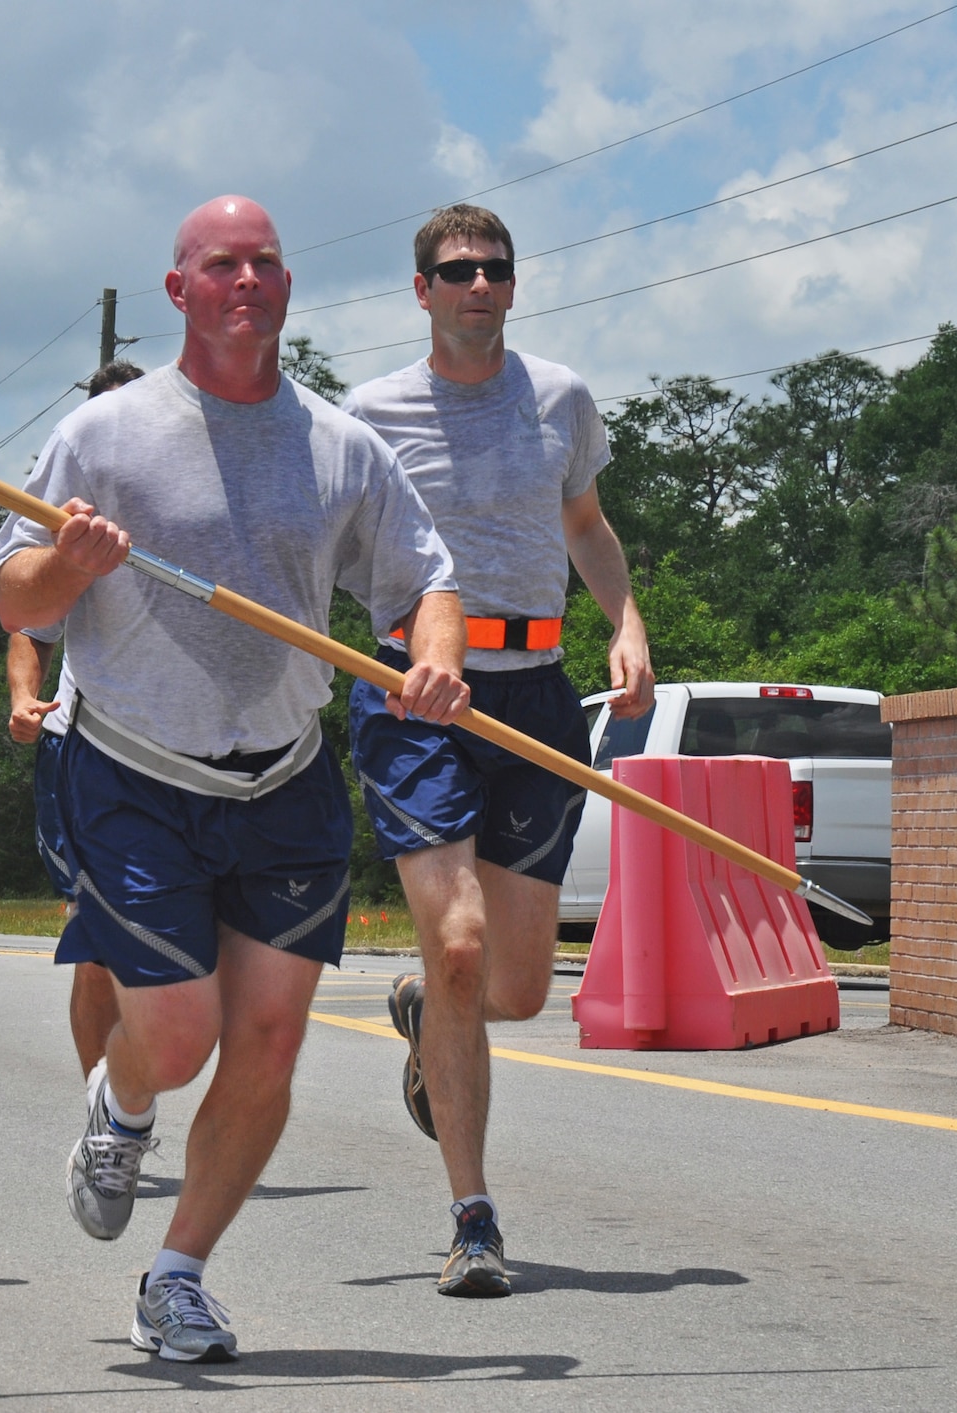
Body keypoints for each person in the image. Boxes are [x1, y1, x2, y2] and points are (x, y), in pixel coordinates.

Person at [0, 197, 469, 1363]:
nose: (244, 280)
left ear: (287, 285)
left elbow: (424, 580)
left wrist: (436, 654)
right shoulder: (105, 436)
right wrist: (70, 560)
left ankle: (176, 1275)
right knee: (182, 1032)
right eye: (220, 264)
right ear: (177, 290)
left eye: (262, 263)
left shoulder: (339, 443)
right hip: (132, 775)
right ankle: (123, 1106)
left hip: (287, 778)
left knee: (265, 1046)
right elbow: (18, 600)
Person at [341, 203, 655, 1298]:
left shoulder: (557, 397)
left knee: (513, 989)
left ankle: (426, 1014)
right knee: (461, 945)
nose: (478, 284)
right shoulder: (367, 412)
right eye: (456, 270)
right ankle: (471, 1216)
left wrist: (625, 623)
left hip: (535, 695)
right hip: (412, 694)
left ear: (512, 287)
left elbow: (584, 523)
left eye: (495, 270)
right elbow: (320, 542)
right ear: (419, 288)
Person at [5, 359, 145, 1076]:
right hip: (86, 748)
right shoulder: (69, 515)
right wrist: (24, 699)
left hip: (193, 754)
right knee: (99, 941)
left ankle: (130, 1084)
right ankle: (104, 1112)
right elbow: (28, 624)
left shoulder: (185, 495)